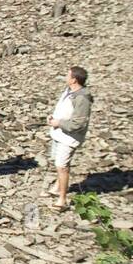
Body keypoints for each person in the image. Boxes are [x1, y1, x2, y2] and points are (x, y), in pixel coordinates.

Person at [48, 66, 93, 209]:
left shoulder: (82, 98)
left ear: (74, 79)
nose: (65, 77)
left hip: (68, 138)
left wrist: (58, 123)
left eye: (67, 75)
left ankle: (62, 199)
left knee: (62, 166)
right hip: (59, 134)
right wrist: (53, 119)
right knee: (58, 162)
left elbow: (79, 123)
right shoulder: (69, 91)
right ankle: (57, 186)